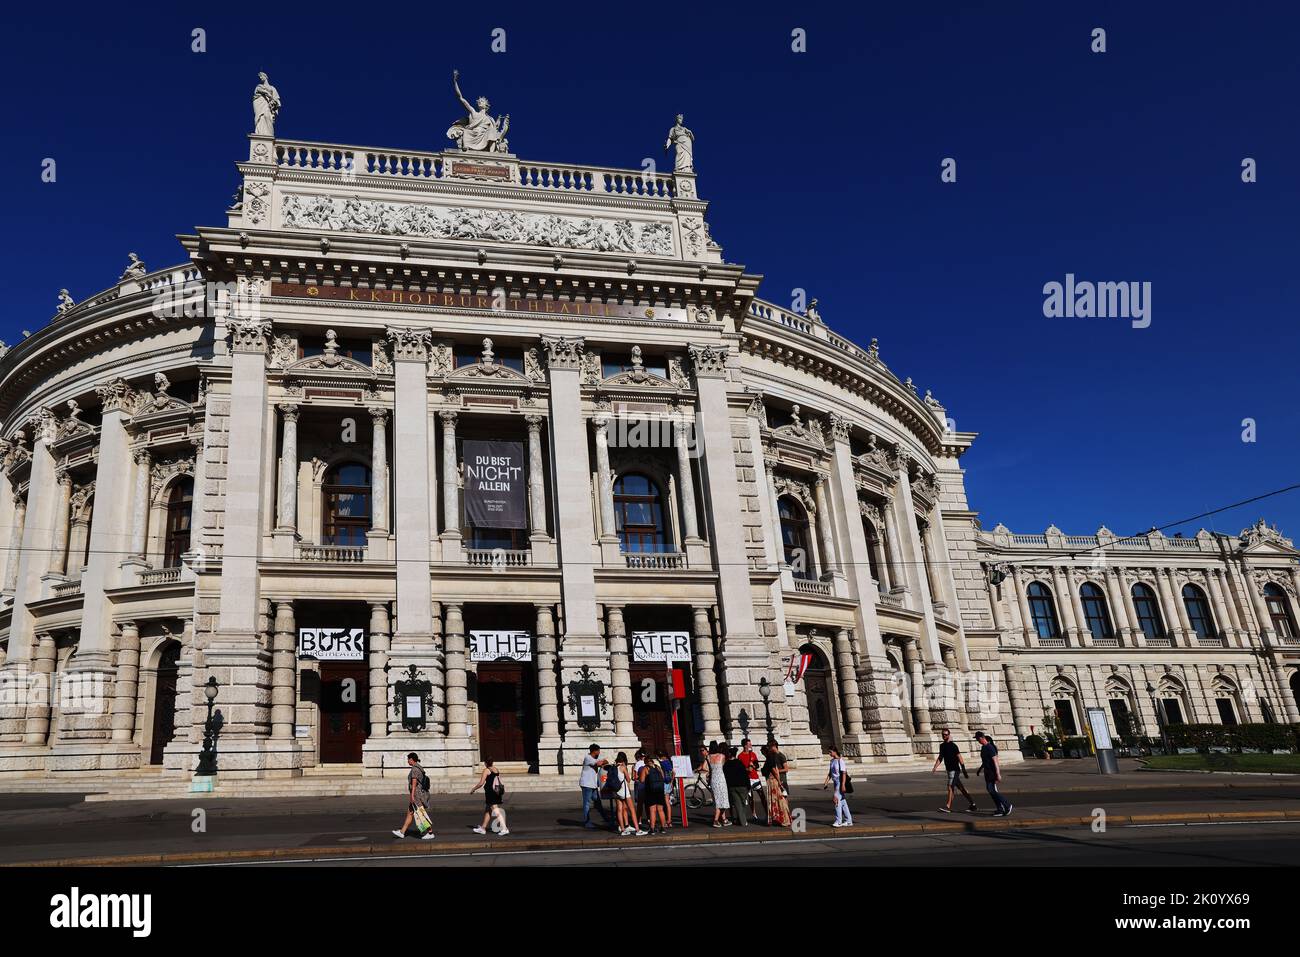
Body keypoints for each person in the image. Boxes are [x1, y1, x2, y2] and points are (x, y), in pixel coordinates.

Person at [932, 728, 978, 813]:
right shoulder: (942, 746)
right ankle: (973, 804)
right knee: (961, 788)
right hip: (949, 770)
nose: (944, 736)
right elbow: (940, 757)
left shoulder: (953, 746)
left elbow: (959, 757)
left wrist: (964, 770)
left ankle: (948, 806)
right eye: (943, 734)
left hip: (955, 770)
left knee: (950, 787)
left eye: (946, 734)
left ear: (949, 735)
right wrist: (935, 767)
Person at [392, 752, 435, 840]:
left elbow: (414, 783)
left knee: (420, 814)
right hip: (419, 794)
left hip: (417, 795)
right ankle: (402, 832)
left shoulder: (415, 769)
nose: (407, 761)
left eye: (408, 759)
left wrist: (412, 796)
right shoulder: (419, 767)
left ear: (411, 759)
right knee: (410, 813)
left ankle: (430, 833)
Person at [975, 732, 1014, 817]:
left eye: (978, 739)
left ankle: (1007, 805)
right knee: (991, 790)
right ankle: (1000, 809)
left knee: (992, 790)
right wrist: (979, 770)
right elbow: (985, 761)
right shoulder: (984, 748)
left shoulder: (990, 747)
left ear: (982, 738)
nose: (977, 741)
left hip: (992, 772)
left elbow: (995, 761)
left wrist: (998, 773)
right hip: (987, 772)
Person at [470, 758, 509, 836]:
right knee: (488, 810)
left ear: (485, 763)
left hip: (491, 793)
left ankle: (504, 828)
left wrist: (473, 789)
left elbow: (481, 783)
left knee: (496, 810)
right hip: (496, 792)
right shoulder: (495, 769)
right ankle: (483, 828)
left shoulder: (486, 770)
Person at [612, 752, 646, 836]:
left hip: (616, 791)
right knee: (632, 810)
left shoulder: (613, 767)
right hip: (624, 790)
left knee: (620, 810)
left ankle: (623, 829)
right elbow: (628, 779)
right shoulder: (623, 767)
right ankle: (637, 830)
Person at [579, 744, 612, 829]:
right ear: (595, 751)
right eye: (598, 750)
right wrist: (602, 762)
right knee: (586, 804)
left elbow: (606, 761)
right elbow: (598, 763)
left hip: (593, 784)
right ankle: (587, 822)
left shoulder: (594, 758)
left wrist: (603, 761)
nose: (599, 752)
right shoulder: (588, 758)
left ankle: (606, 819)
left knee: (598, 803)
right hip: (586, 784)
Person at [639, 750, 669, 834]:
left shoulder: (646, 768)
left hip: (651, 791)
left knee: (652, 810)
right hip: (660, 791)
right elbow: (663, 778)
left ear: (646, 762)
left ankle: (652, 829)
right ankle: (663, 828)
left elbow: (642, 780)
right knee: (660, 810)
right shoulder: (658, 767)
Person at [738, 738, 767, 823]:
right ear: (745, 745)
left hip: (755, 778)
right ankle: (754, 814)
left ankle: (767, 813)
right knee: (751, 798)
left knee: (762, 796)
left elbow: (757, 765)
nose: (751, 745)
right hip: (747, 779)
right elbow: (740, 769)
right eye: (749, 744)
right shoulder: (740, 756)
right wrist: (747, 769)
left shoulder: (753, 754)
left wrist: (754, 766)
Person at [763, 741, 791, 827]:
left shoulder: (779, 756)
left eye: (770, 747)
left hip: (780, 781)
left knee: (782, 800)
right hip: (776, 781)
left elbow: (785, 769)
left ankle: (785, 818)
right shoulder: (772, 757)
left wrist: (778, 778)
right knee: (779, 800)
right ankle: (781, 817)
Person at [824, 747, 852, 827]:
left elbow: (843, 773)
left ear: (835, 751)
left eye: (830, 752)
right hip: (835, 782)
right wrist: (826, 782)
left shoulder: (841, 761)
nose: (829, 754)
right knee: (842, 802)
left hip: (840, 782)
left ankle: (838, 821)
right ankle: (848, 820)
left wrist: (843, 785)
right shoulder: (832, 761)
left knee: (836, 800)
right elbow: (830, 773)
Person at [723, 747, 751, 826]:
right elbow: (745, 775)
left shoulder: (726, 764)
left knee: (737, 804)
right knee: (743, 803)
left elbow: (726, 777)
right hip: (742, 785)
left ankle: (742, 820)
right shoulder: (740, 763)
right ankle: (743, 820)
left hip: (732, 786)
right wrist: (748, 786)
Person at [708, 742, 731, 827]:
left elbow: (706, 768)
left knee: (718, 799)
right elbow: (723, 766)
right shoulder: (722, 756)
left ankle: (724, 819)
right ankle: (716, 820)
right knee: (723, 799)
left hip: (713, 780)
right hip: (721, 779)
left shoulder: (709, 757)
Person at [658, 749, 676, 827]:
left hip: (664, 783)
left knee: (664, 802)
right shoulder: (668, 761)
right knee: (667, 802)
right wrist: (672, 782)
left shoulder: (662, 763)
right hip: (669, 783)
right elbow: (673, 772)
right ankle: (669, 820)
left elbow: (663, 774)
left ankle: (667, 820)